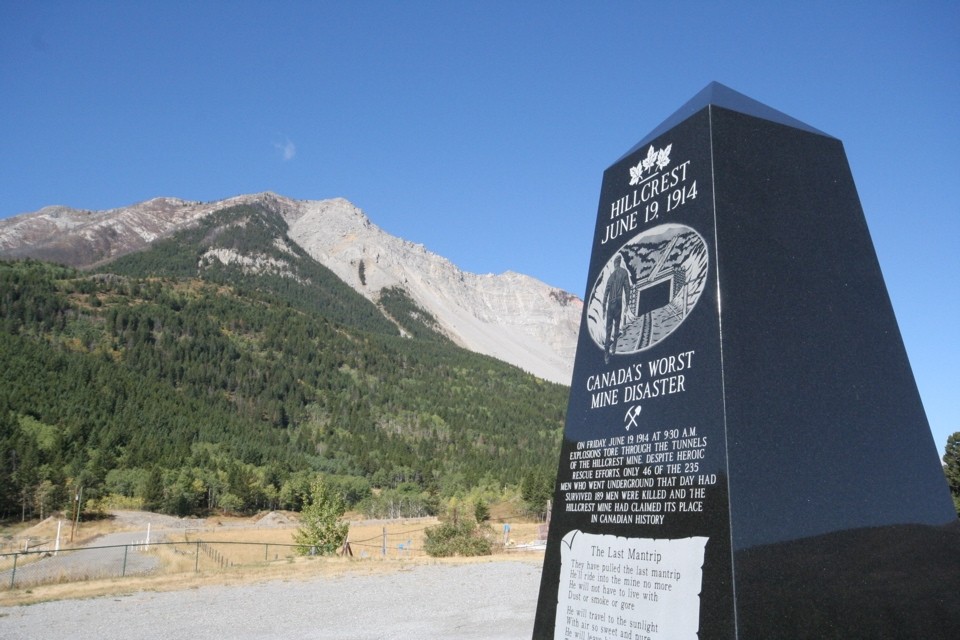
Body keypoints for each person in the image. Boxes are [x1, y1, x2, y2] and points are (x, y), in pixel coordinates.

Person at [603, 255, 631, 363]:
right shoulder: (624, 273)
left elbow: (606, 293)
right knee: (616, 326)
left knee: (608, 330)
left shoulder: (611, 276)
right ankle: (613, 348)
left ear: (615, 264)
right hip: (618, 302)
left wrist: (603, 308)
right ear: (620, 263)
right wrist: (627, 303)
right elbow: (627, 289)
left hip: (610, 304)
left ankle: (606, 355)